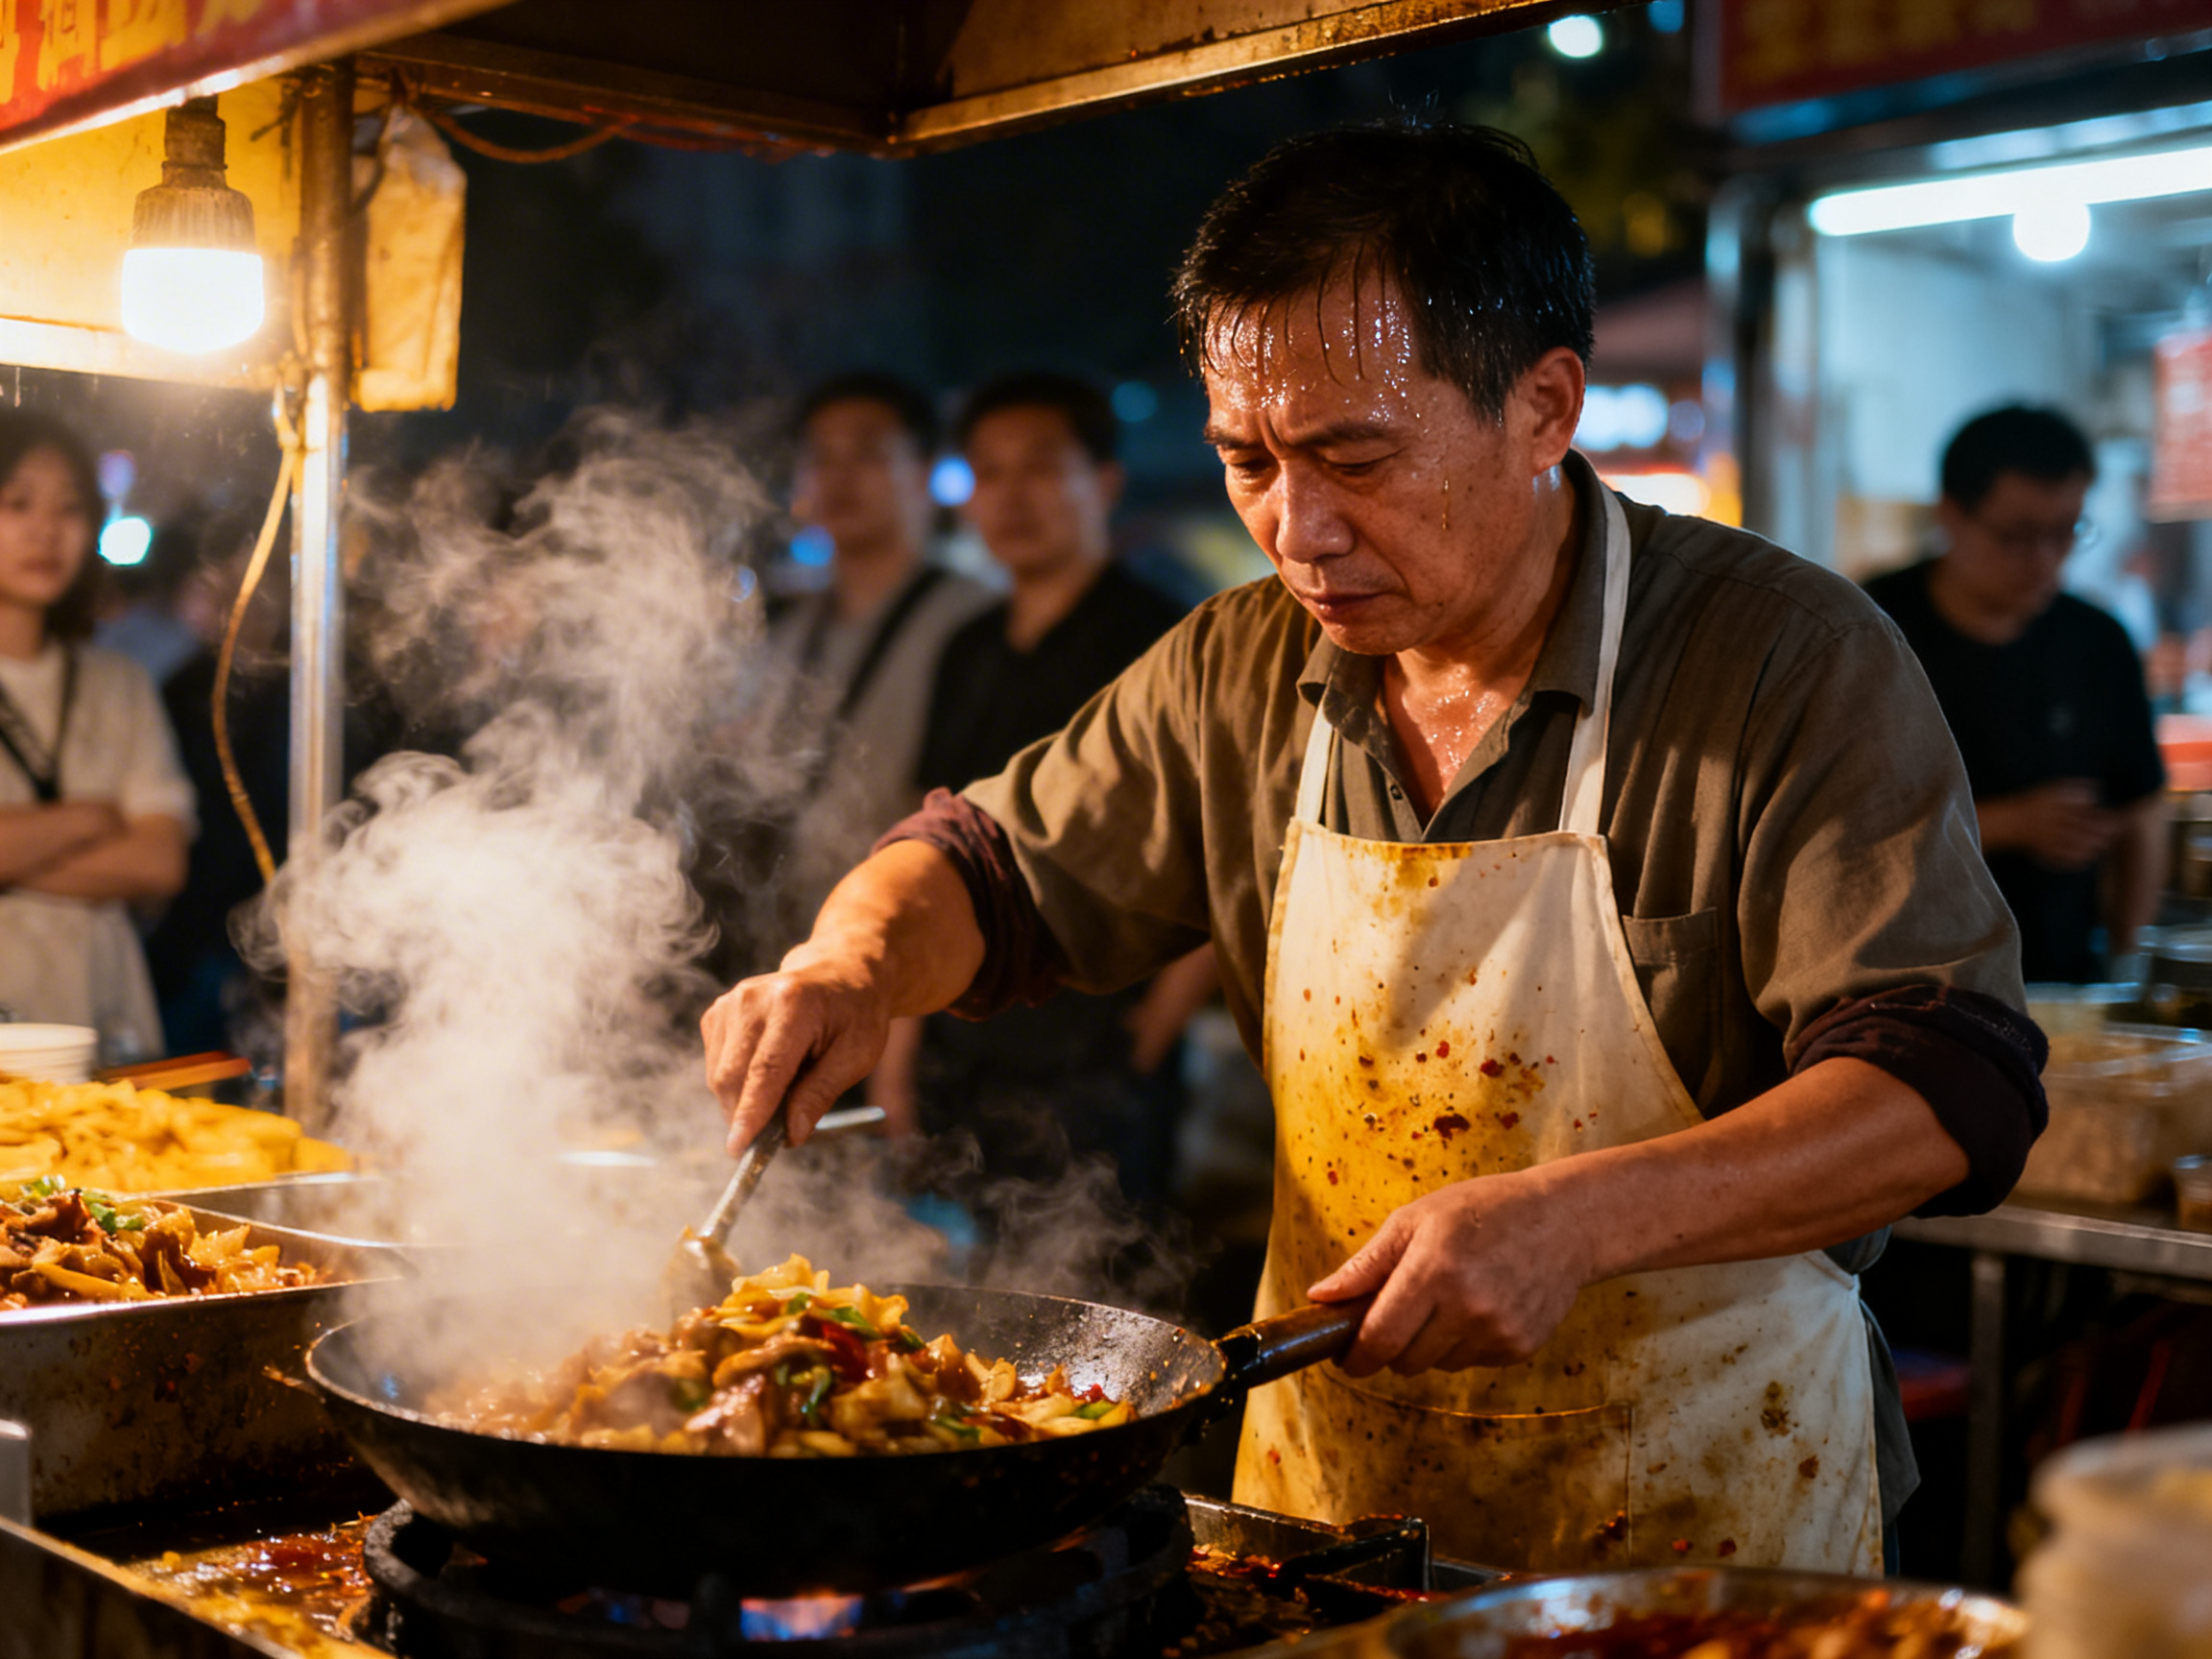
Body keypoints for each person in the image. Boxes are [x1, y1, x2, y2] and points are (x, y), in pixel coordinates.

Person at [701, 123, 2046, 1575]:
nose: (1298, 529)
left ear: (1544, 409)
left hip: (1709, 1515)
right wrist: (847, 966)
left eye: (1355, 456)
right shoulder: (1237, 667)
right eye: (1247, 463)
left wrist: (1580, 1219)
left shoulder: (1783, 660)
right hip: (1329, 1519)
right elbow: (984, 866)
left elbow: (1942, 1087)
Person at [881, 372, 1209, 1220]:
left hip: (1099, 1040)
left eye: (1039, 467)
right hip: (959, 1037)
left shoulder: (1163, 635)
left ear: (1104, 481)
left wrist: (1156, 1026)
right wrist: (899, 1040)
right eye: (988, 474)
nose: (1011, 497)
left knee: (1100, 1303)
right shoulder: (968, 646)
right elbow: (931, 827)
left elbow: (1227, 838)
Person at [1865, 407, 2166, 983]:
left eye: (2067, 533)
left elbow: (2141, 810)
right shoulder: (1870, 632)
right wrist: (2007, 824)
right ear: (1950, 515)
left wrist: (2129, 963)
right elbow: (1836, 830)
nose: (2044, 561)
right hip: (1902, 982)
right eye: (2017, 537)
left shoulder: (2097, 642)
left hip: (2062, 974)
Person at [746, 374, 993, 962]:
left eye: (868, 452)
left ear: (925, 472)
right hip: (770, 945)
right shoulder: (782, 624)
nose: (838, 476)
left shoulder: (979, 620)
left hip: (902, 953)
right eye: (819, 456)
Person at [0, 411, 194, 1062]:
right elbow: (132, 854)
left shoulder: (120, 683)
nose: (46, 531)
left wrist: (17, 847)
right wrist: (92, 818)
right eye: (16, 503)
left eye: (71, 508)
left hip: (105, 1019)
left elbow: (159, 862)